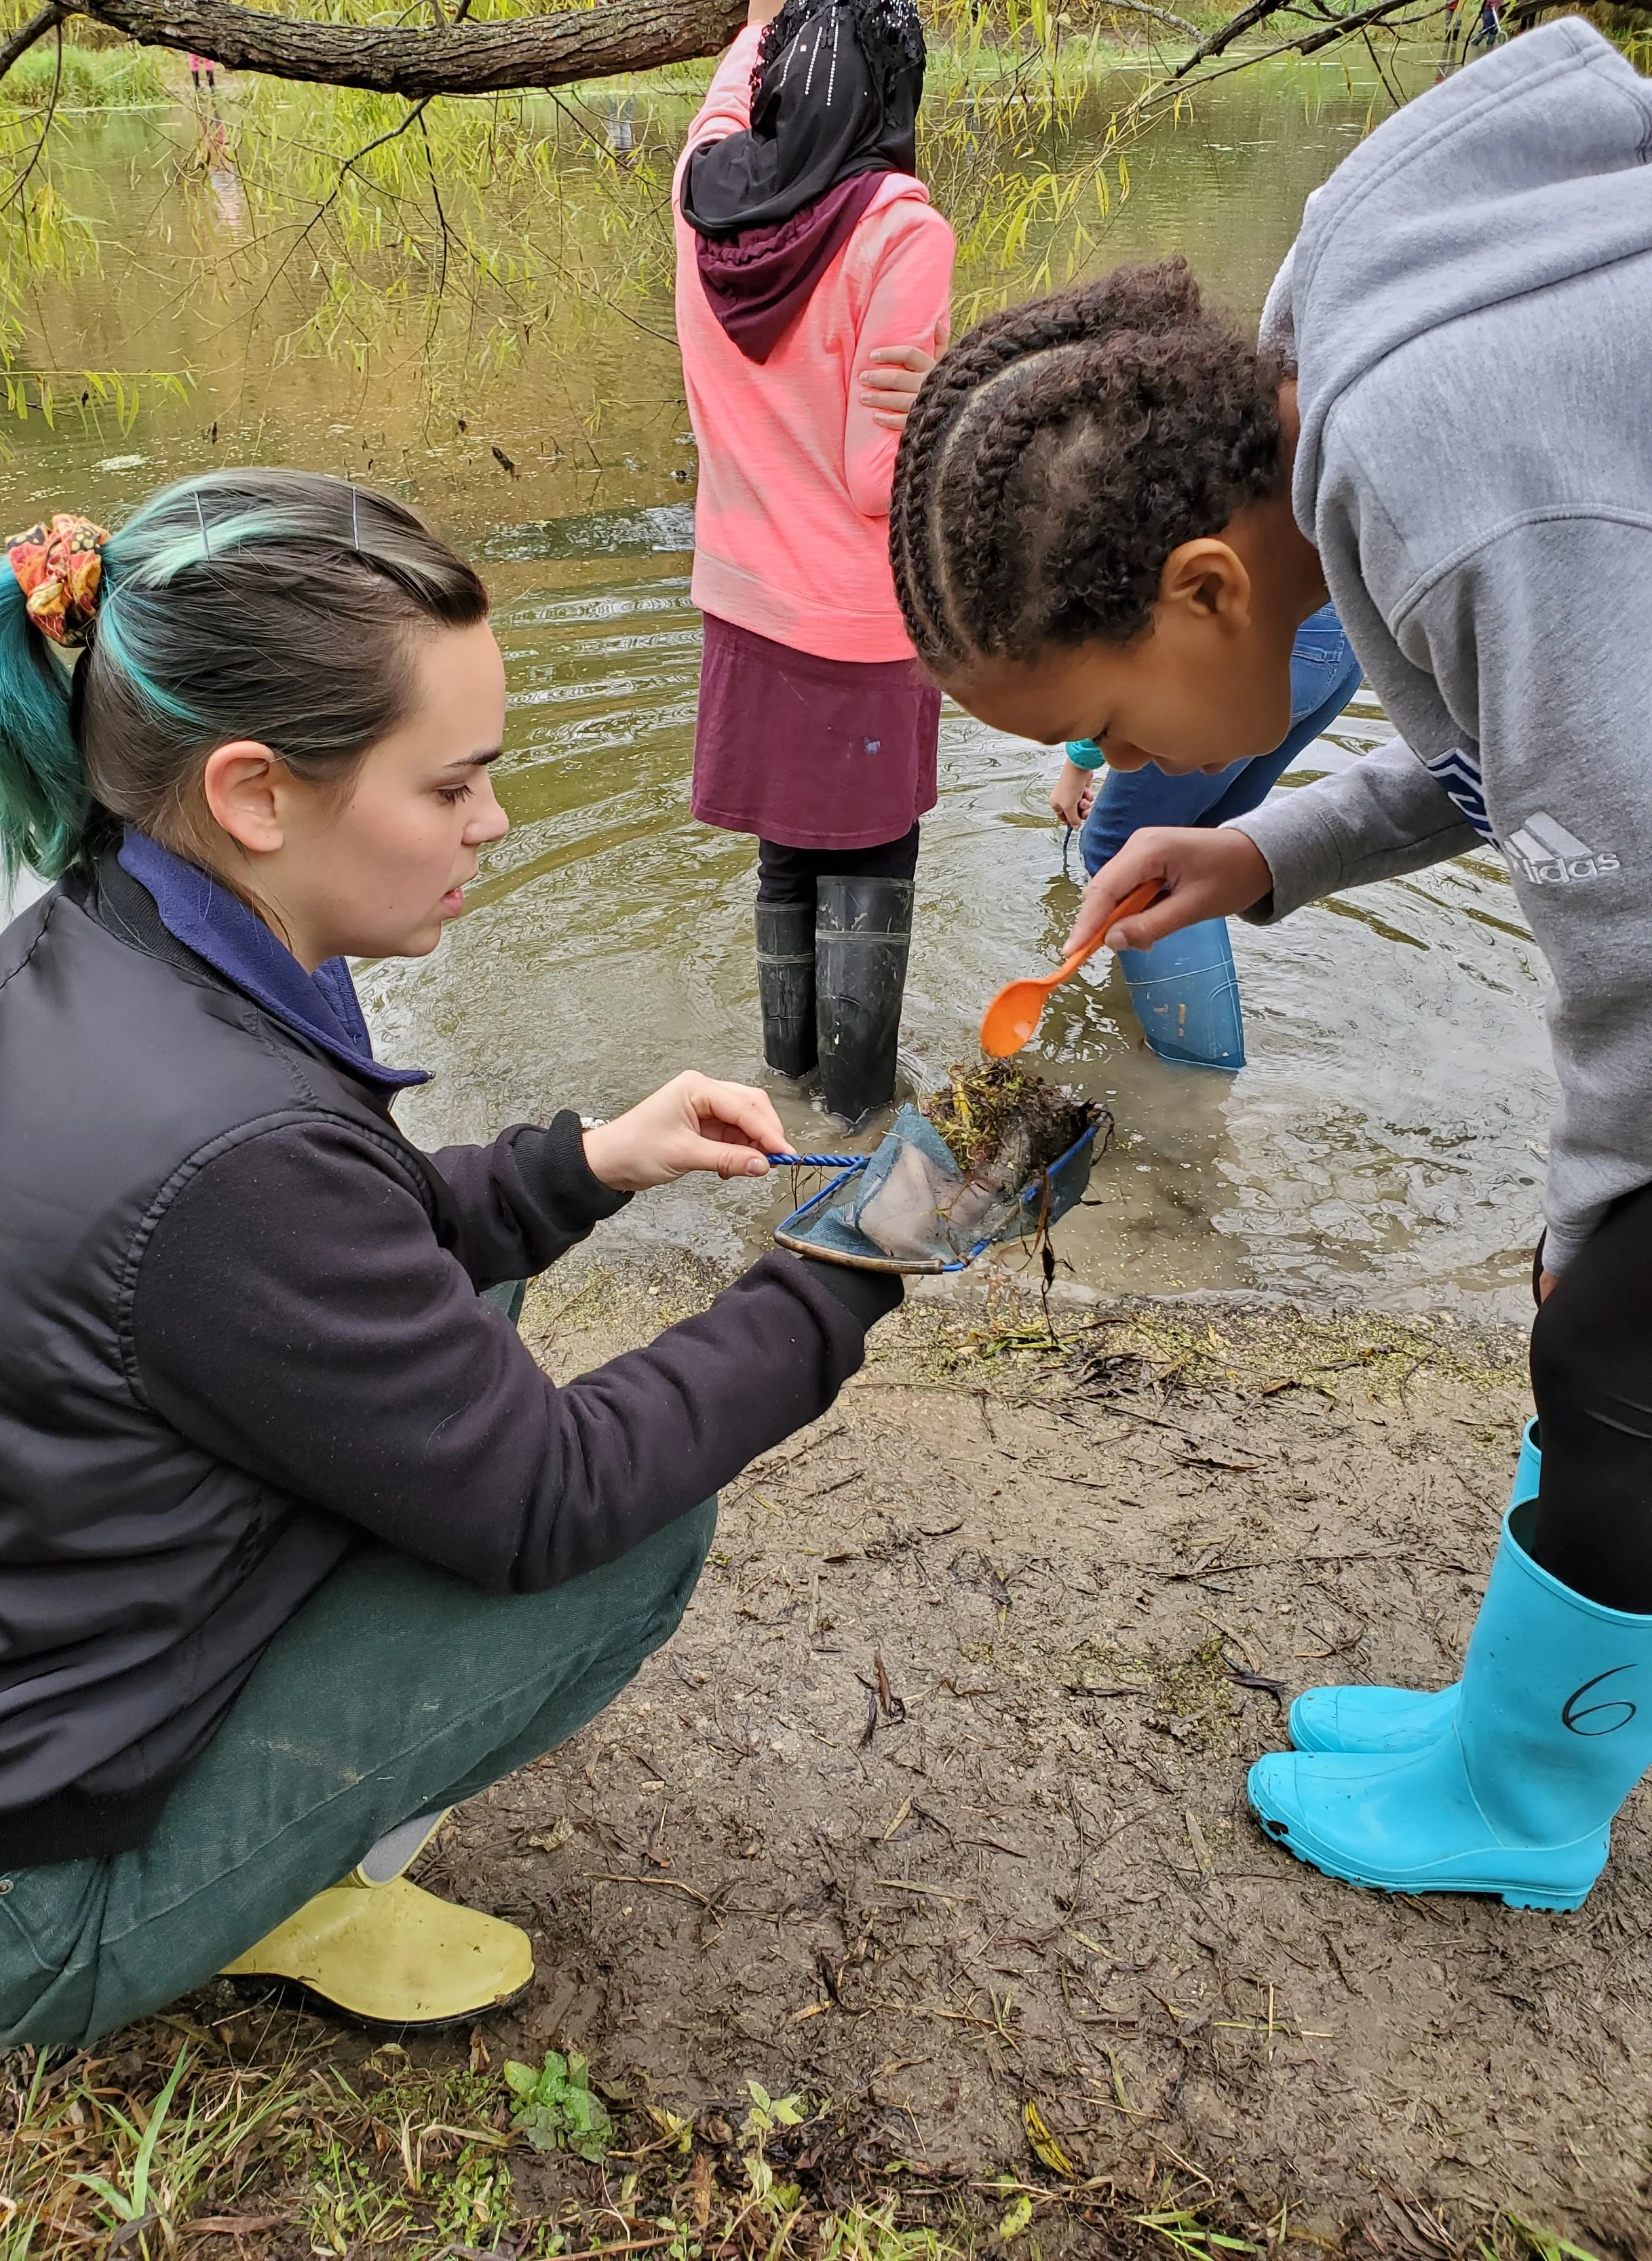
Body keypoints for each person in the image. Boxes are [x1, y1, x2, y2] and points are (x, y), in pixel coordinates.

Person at [0, 471, 904, 2051]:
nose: (494, 823)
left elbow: (334, 1234)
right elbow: (552, 1496)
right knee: (626, 1540)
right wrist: (853, 1265)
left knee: (465, 1289)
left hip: (24, 1666)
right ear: (260, 794)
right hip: (24, 1905)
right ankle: (262, 1889)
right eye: (451, 787)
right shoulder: (235, 1159)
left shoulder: (99, 932)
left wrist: (590, 1159)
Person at [887, 20, 1652, 1911]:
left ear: (1205, 590)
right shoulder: (1338, 374)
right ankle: (1509, 1715)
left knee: (1620, 1327)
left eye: (1119, 729)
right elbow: (1544, 734)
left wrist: (1599, 1194)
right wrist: (1257, 843)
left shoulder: (1447, 474)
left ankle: (1523, 1801)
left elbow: (1627, 905)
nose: (1121, 772)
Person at [675, 0, 955, 1124]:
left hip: (742, 606)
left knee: (788, 856)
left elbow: (722, 107)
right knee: (874, 861)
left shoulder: (704, 203)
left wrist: (761, 23)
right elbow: (877, 482)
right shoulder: (900, 230)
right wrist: (956, 407)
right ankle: (860, 1114)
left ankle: (783, 1096)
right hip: (858, 620)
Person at [1050, 608, 1360, 1069]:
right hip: (1338, 638)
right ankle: (1190, 1062)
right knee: (1196, 846)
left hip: (1254, 644)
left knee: (1117, 848)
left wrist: (1079, 762)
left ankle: (1186, 1070)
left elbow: (1127, 631)